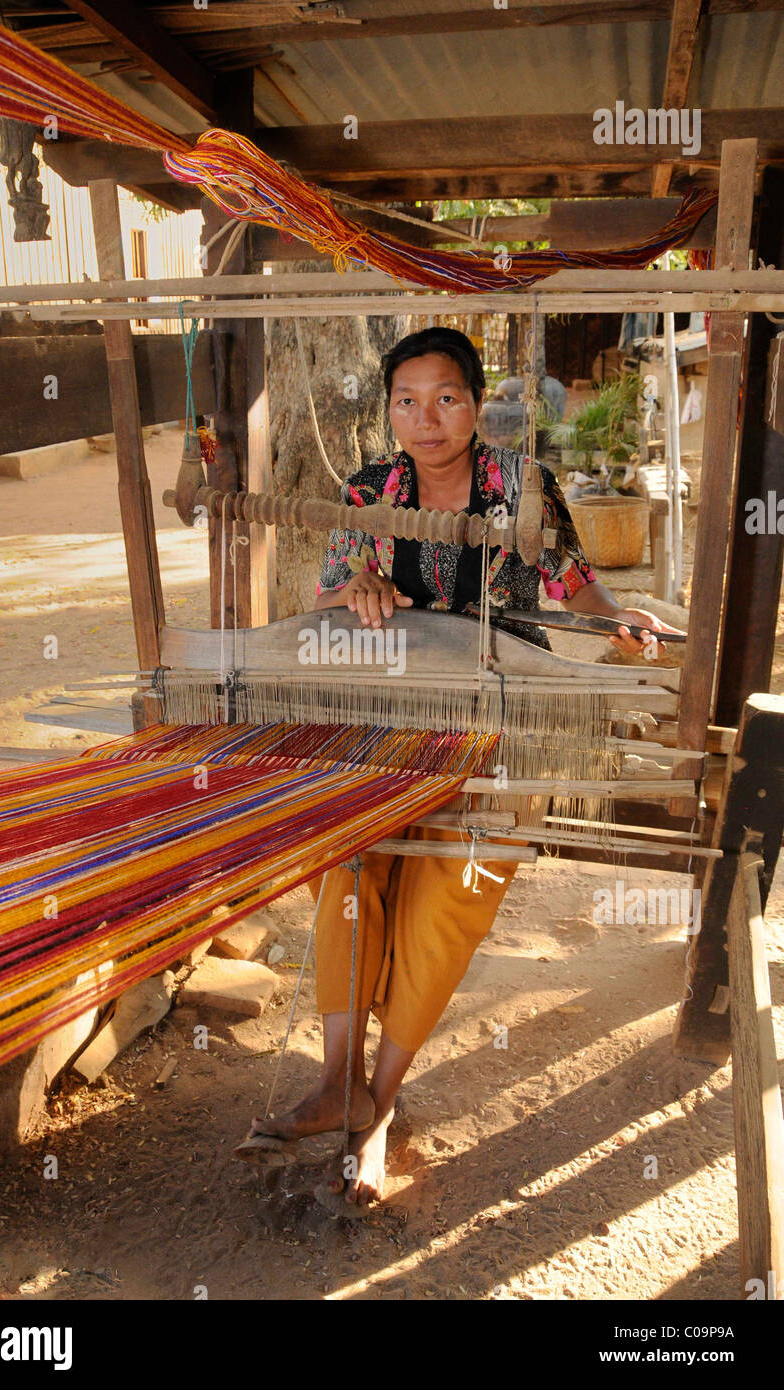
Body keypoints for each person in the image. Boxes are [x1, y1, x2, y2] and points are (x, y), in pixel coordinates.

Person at [249, 327, 678, 1209]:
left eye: (444, 397)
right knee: (348, 868)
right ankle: (336, 1077)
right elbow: (333, 589)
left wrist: (618, 620)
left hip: (493, 723)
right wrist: (354, 590)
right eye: (406, 400)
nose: (425, 417)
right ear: (390, 411)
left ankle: (380, 1102)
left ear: (475, 404)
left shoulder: (520, 487)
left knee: (453, 891)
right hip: (384, 720)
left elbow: (572, 585)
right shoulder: (366, 491)